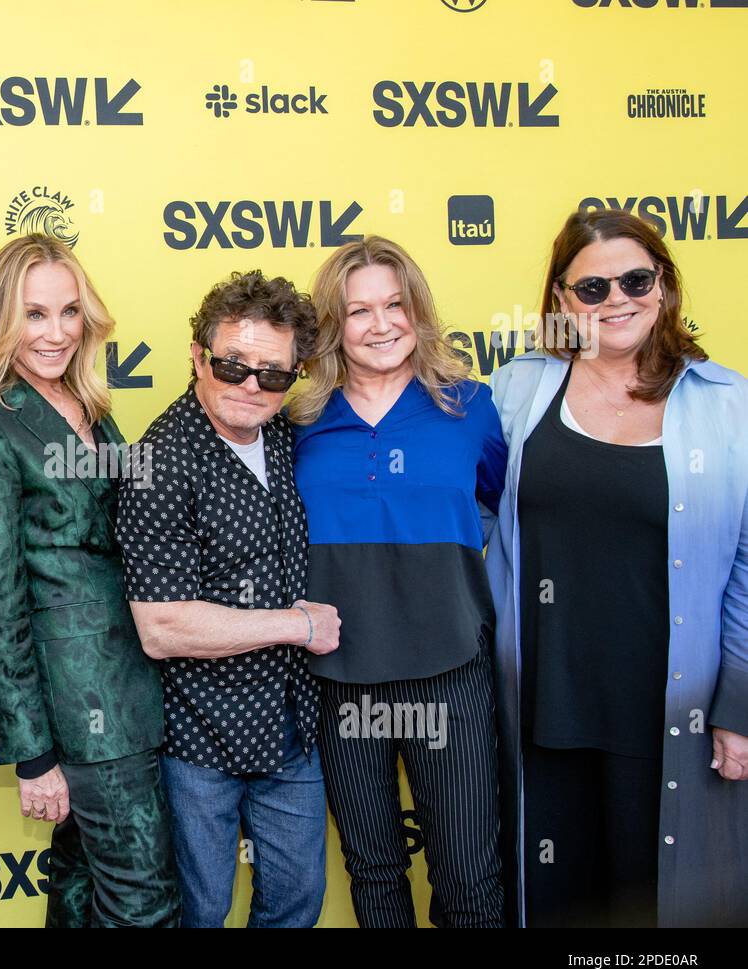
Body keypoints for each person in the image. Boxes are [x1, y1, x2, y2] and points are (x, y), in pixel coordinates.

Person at [486, 208, 748, 927]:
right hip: (543, 700)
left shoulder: (728, 404)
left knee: (657, 907)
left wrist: (738, 709)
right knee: (556, 898)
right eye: (592, 288)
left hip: (670, 708)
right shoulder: (515, 391)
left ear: (663, 285)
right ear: (563, 301)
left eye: (635, 279)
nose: (617, 299)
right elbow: (470, 523)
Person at [0, 234, 178, 927]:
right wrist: (32, 753)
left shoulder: (95, 415)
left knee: (81, 894)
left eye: (69, 312)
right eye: (34, 315)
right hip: (81, 710)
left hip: (136, 685)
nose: (55, 333)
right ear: (0, 320)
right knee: (145, 903)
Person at [288, 237, 506, 928]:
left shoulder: (471, 407)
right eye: (359, 311)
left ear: (418, 311)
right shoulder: (297, 420)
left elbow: (501, 507)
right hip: (340, 674)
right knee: (375, 874)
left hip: (451, 668)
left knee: (469, 879)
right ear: (333, 325)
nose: (381, 325)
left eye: (395, 305)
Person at [116, 270, 340, 927]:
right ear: (197, 357)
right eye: (233, 365)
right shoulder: (158, 460)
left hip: (291, 728)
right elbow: (162, 627)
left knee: (297, 902)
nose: (250, 386)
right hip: (198, 741)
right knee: (201, 913)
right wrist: (296, 626)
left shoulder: (292, 436)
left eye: (273, 374)